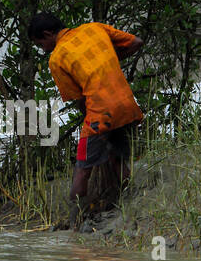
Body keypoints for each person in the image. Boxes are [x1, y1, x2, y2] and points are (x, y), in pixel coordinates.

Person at [28, 12, 144, 227]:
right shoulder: (94, 27)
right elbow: (136, 42)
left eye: (40, 44)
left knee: (82, 170)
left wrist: (91, 122)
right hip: (128, 106)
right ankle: (132, 204)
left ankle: (73, 222)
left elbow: (80, 99)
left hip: (101, 115)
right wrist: (108, 61)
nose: (43, 49)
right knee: (116, 156)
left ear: (47, 34)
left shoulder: (57, 58)